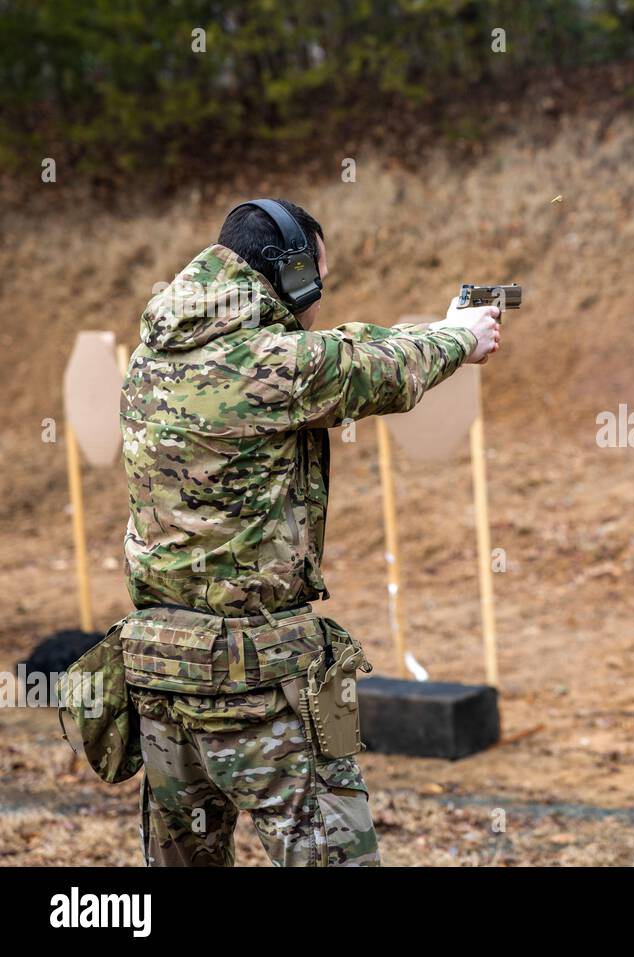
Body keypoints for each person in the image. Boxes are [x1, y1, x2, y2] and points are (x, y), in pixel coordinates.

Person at [118, 198, 500, 866]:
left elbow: (336, 348)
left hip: (160, 675)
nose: (318, 295)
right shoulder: (274, 366)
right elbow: (368, 370)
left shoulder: (156, 353)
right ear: (291, 278)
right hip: (261, 683)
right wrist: (462, 339)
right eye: (316, 278)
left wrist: (442, 323)